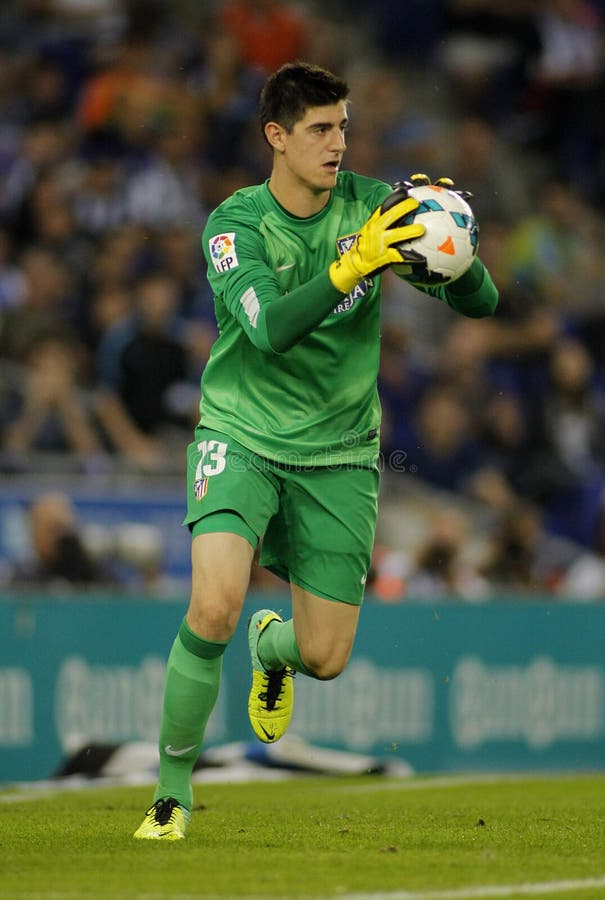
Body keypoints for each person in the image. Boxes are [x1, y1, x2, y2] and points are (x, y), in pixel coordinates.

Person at [134, 61, 498, 840]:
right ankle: (171, 791)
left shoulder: (375, 206)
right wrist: (353, 263)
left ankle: (276, 649)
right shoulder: (234, 225)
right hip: (241, 436)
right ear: (277, 136)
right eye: (320, 130)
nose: (339, 144)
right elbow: (268, 329)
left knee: (326, 657)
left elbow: (484, 304)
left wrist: (454, 244)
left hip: (338, 456)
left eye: (343, 127)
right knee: (214, 603)